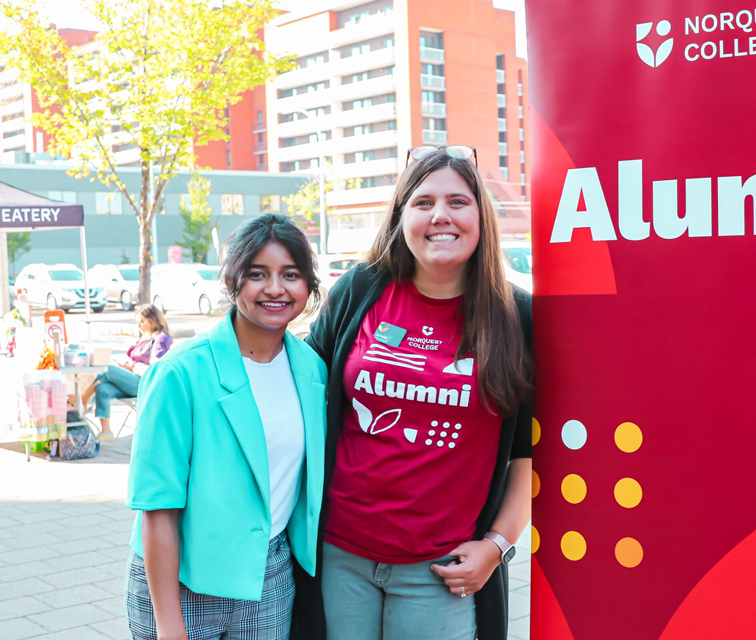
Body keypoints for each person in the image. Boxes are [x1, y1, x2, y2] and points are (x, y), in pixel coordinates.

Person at [292, 145, 533, 640]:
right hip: (341, 558)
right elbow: (298, 386)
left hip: (441, 572)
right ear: (402, 216)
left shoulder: (518, 317)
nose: (440, 216)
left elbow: (528, 456)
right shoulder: (360, 290)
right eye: (423, 203)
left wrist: (498, 544)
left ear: (481, 216)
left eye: (457, 202)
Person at [125, 212, 328, 640]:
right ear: (233, 281)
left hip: (268, 578)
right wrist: (169, 627)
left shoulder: (311, 368)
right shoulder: (180, 373)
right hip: (180, 580)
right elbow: (157, 507)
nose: (275, 289)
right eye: (258, 274)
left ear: (308, 285)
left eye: (290, 274)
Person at [80, 304, 172, 441]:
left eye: (142, 322)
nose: (139, 326)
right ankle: (106, 433)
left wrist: (131, 368)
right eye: (137, 323)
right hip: (131, 379)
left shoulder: (160, 338)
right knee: (102, 388)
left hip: (145, 382)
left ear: (153, 320)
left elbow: (156, 368)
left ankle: (80, 403)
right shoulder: (144, 337)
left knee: (106, 369)